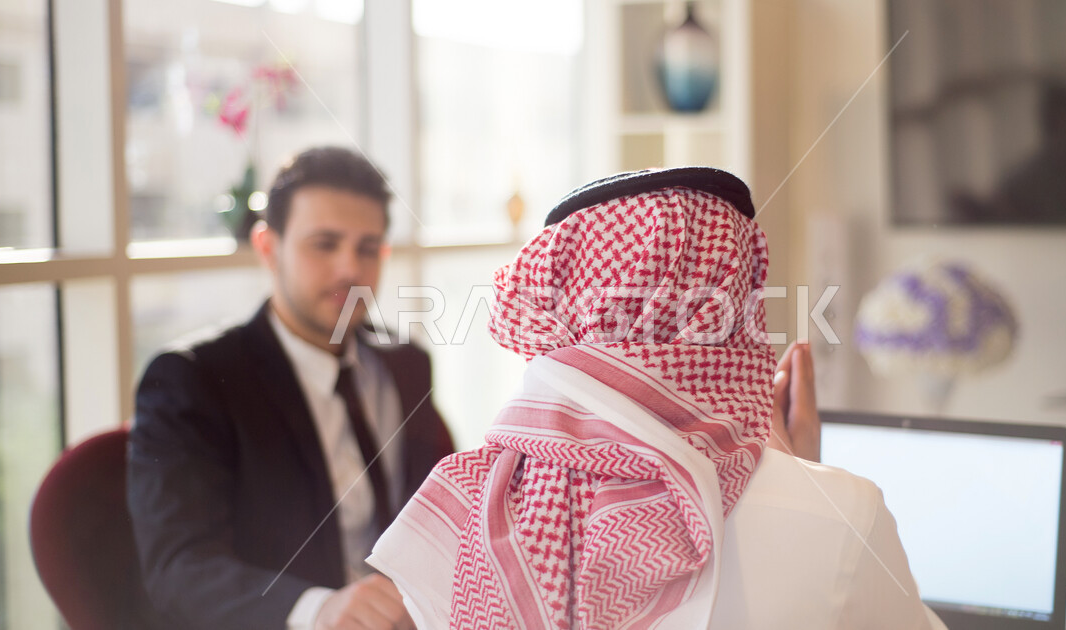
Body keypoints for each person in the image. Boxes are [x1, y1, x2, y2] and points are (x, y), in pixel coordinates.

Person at [367, 167, 945, 629]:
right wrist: (796, 469)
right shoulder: (843, 514)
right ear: (737, 296)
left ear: (558, 302)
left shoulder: (463, 511)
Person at [128, 146, 453, 630]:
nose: (350, 269)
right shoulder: (193, 379)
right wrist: (317, 610)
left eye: (368, 248)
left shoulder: (407, 364)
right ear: (268, 248)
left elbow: (446, 511)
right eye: (324, 244)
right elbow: (179, 568)